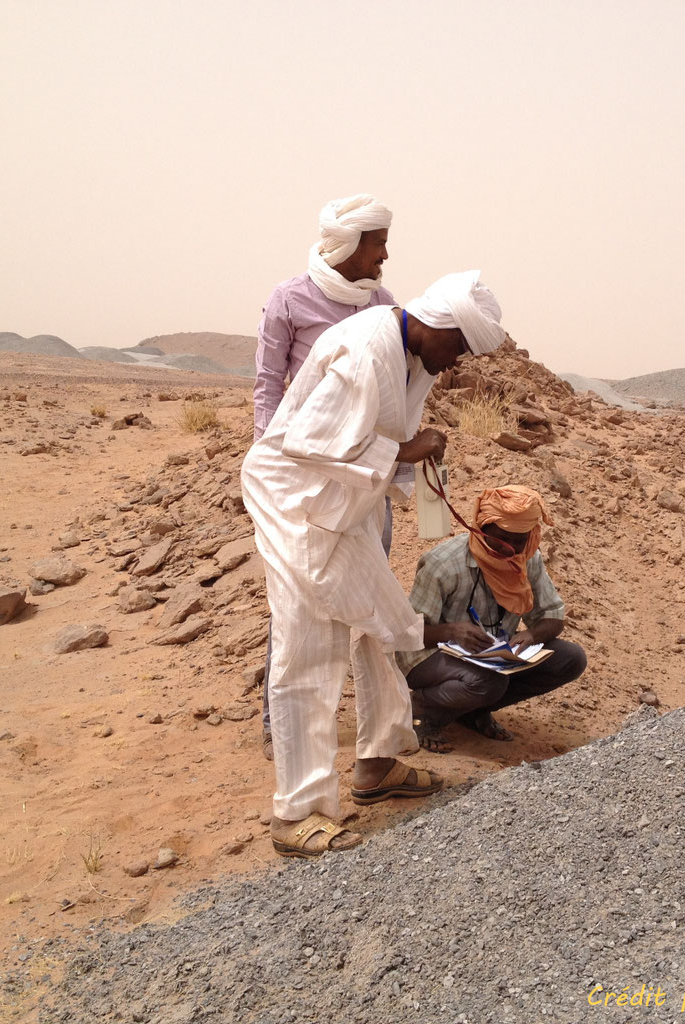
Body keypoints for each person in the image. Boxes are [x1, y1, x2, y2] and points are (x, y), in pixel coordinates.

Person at [241, 271, 506, 857]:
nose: (456, 362)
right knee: (310, 646)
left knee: (378, 628)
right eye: (458, 346)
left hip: (343, 503)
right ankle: (297, 814)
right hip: (299, 504)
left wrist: (413, 463)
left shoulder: (412, 357)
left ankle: (378, 766)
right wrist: (410, 451)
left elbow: (373, 439)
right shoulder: (367, 350)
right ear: (440, 323)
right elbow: (310, 441)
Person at [253, 193, 397, 761]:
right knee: (297, 597)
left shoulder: (382, 304)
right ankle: (279, 719)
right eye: (378, 241)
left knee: (365, 597)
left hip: (363, 482)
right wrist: (276, 459)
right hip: (304, 481)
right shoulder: (290, 298)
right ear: (349, 245)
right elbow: (268, 385)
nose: (386, 252)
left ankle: (367, 728)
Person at [398, 485, 587, 753]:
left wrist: (532, 635)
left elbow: (553, 619)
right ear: (481, 529)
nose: (510, 549)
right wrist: (451, 632)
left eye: (519, 541)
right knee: (489, 681)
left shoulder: (526, 559)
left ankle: (472, 710)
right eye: (501, 539)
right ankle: (424, 710)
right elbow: (406, 635)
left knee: (571, 659)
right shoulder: (443, 564)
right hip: (427, 656)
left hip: (490, 656)